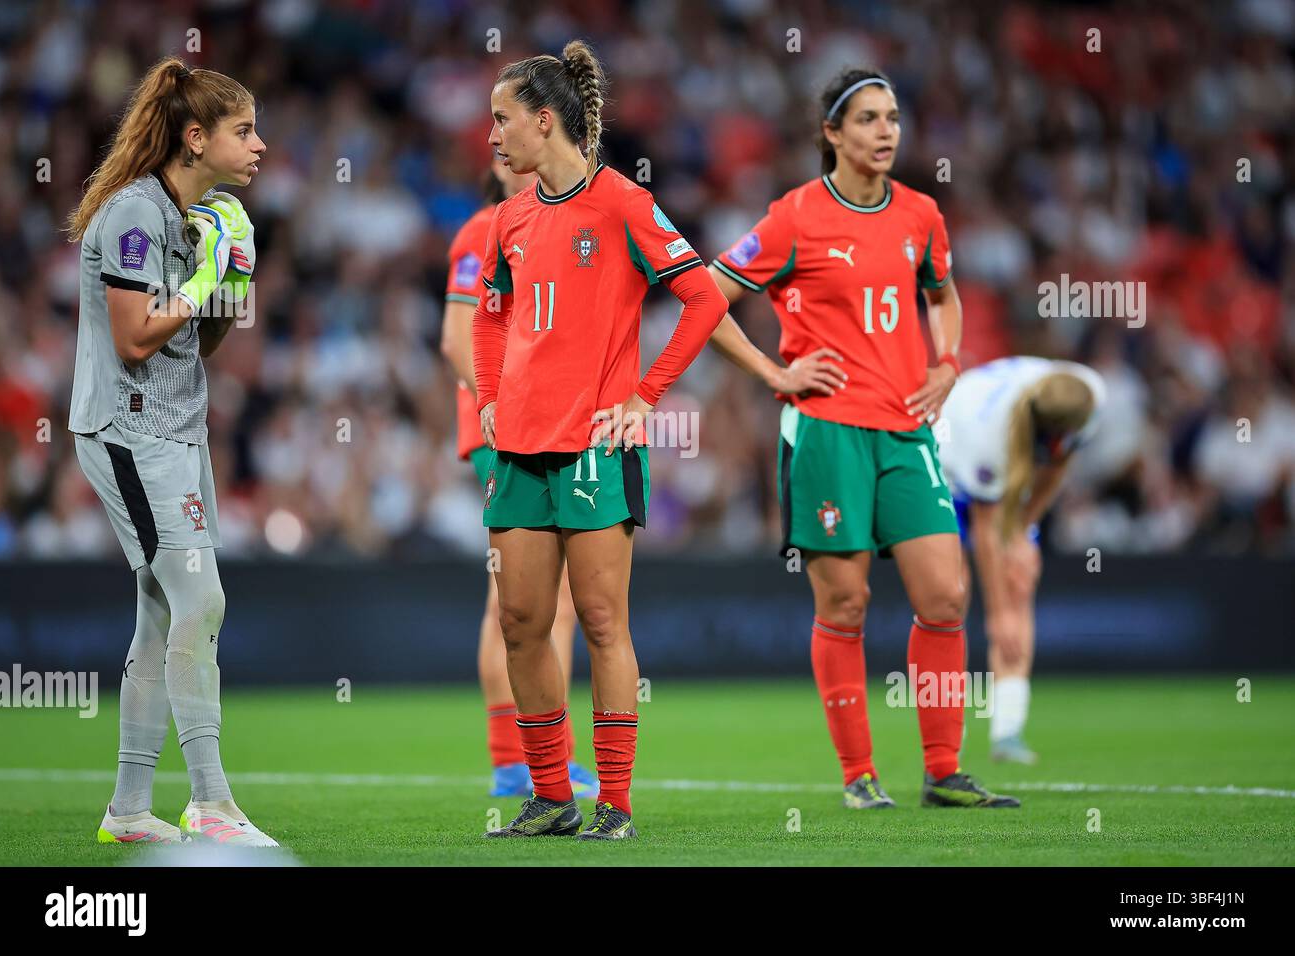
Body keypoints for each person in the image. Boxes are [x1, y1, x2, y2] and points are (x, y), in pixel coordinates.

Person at [706, 69, 1019, 809]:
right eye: (870, 119)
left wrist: (948, 361)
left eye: (894, 118)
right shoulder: (794, 218)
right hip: (827, 431)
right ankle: (859, 777)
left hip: (906, 428)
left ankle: (943, 771)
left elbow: (943, 293)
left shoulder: (920, 215)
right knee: (845, 604)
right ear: (833, 134)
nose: (887, 132)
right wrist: (773, 372)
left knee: (946, 592)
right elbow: (706, 294)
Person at [473, 40, 727, 839]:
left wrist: (646, 396)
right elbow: (490, 316)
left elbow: (704, 298)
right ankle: (552, 795)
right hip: (518, 444)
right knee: (519, 620)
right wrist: (488, 396)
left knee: (601, 620)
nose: (492, 136)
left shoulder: (621, 202)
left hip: (593, 446)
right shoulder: (509, 218)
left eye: (502, 119)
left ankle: (614, 801)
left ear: (544, 121)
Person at [66, 56, 275, 846]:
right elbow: (134, 339)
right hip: (127, 428)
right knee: (202, 601)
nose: (259, 146)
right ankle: (212, 799)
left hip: (179, 427)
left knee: (163, 616)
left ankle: (127, 810)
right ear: (195, 138)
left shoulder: (202, 215)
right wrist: (199, 284)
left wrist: (233, 280)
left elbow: (201, 339)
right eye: (243, 131)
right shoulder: (133, 212)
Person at [439, 161, 597, 800]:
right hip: (505, 434)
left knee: (545, 598)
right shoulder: (482, 230)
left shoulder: (558, 229)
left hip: (553, 430)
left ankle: (530, 759)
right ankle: (523, 759)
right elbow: (456, 340)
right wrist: (505, 413)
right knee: (530, 596)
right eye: (502, 150)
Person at [938, 356, 1106, 763]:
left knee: (1019, 582)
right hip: (945, 468)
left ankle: (1008, 731)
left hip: (999, 481)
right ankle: (944, 735)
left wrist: (1024, 531)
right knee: (948, 597)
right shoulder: (987, 437)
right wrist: (998, 617)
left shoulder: (1090, 392)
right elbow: (985, 529)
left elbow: (1058, 465)